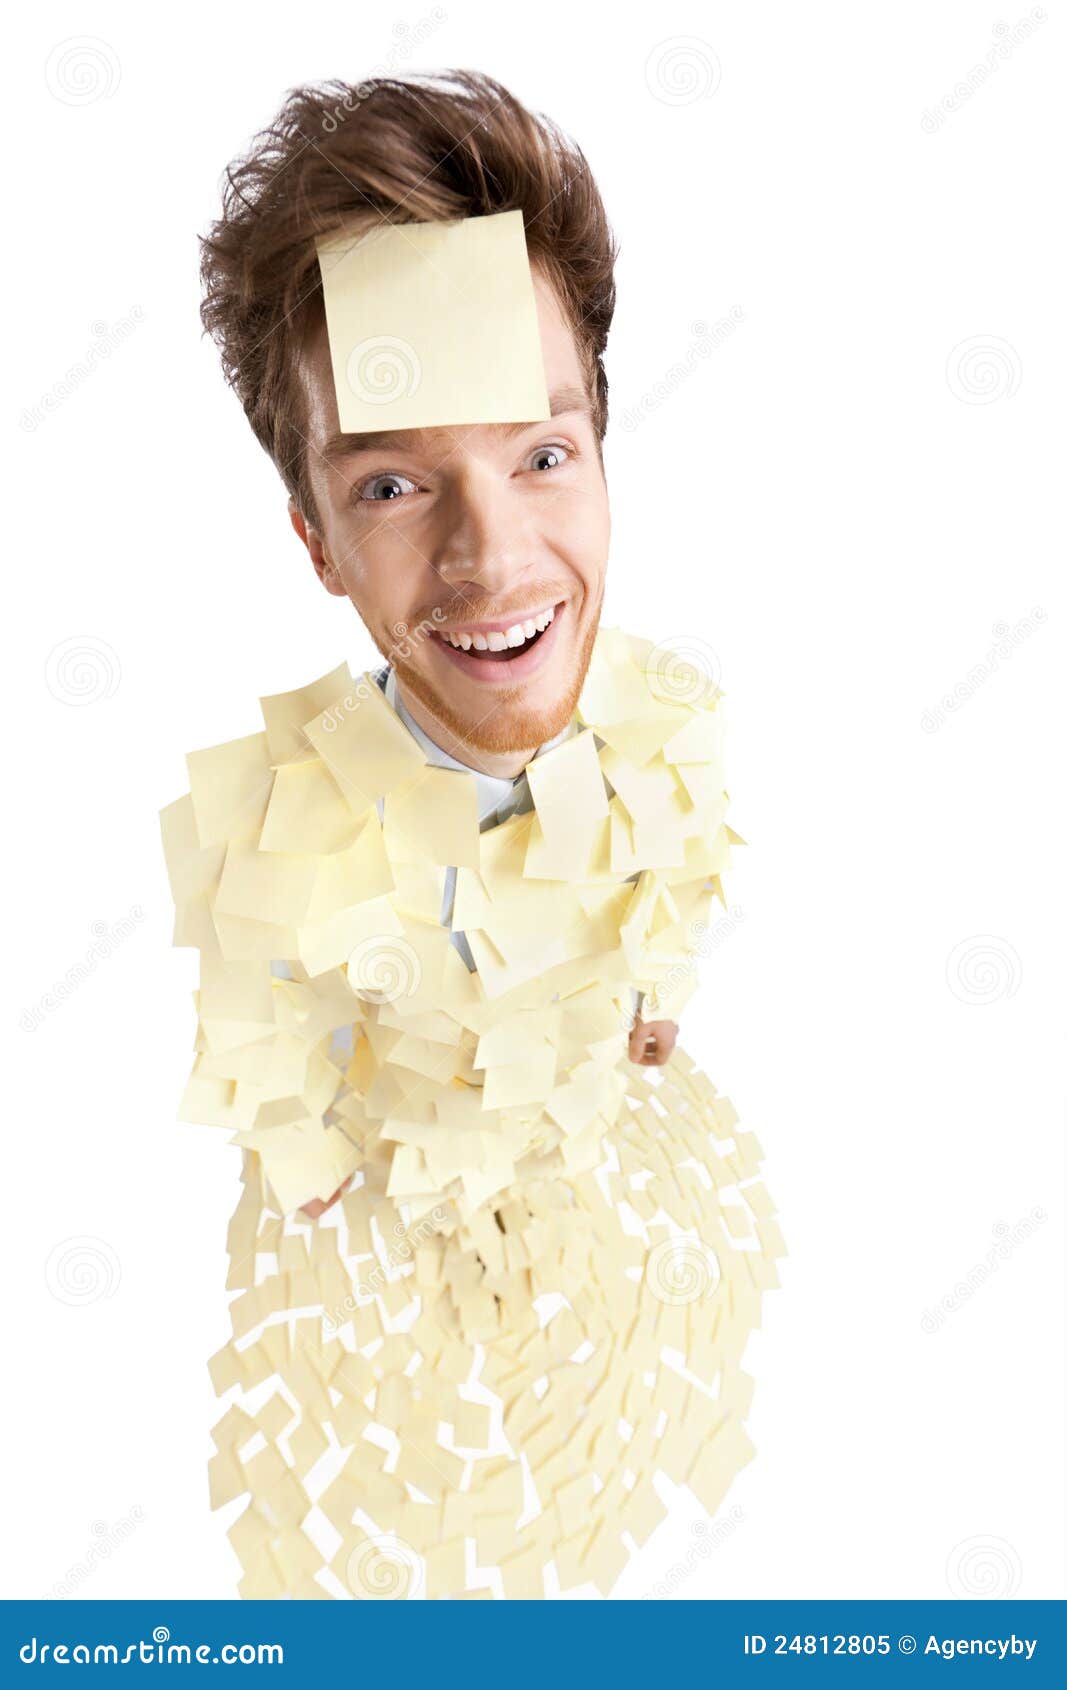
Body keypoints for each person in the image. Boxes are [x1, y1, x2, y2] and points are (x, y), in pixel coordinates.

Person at [162, 70, 783, 1600]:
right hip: (384, 1275)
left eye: (542, 455)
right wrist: (307, 1159)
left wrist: (652, 1008)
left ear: (604, 451)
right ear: (315, 538)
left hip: (613, 1242)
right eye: (392, 482)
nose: (492, 556)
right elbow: (255, 1017)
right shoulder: (276, 815)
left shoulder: (667, 725)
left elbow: (678, 869)